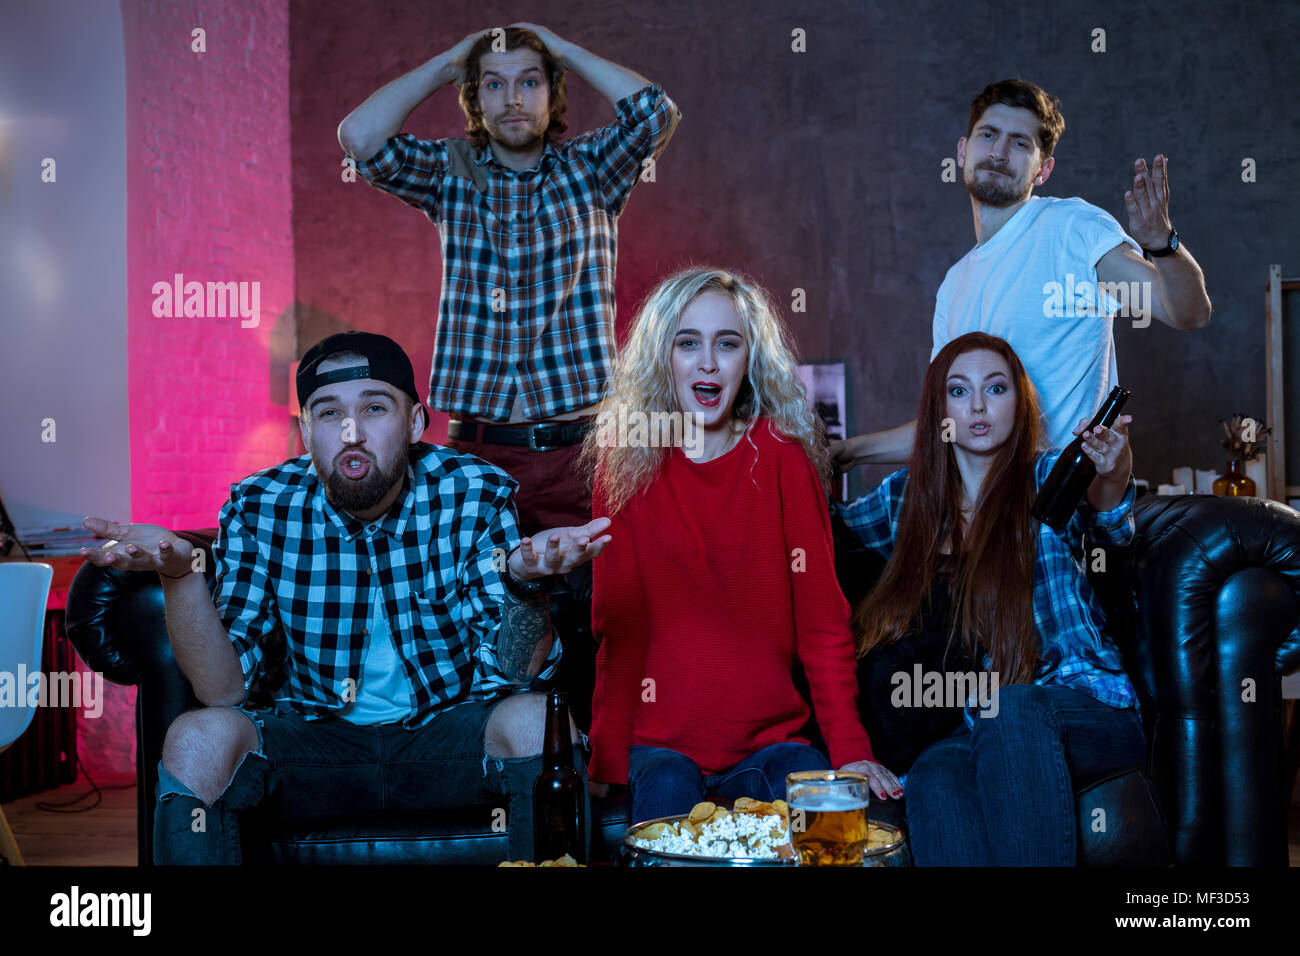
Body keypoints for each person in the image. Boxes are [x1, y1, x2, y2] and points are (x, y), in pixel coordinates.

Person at [78, 332, 611, 864]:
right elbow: (222, 691)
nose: (351, 433)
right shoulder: (261, 505)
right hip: (313, 746)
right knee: (198, 736)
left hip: (448, 738)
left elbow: (517, 674)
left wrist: (525, 583)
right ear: (305, 431)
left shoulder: (473, 491)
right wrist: (179, 574)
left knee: (535, 722)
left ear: (416, 422)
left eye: (375, 408)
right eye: (329, 414)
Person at [581, 267, 901, 824]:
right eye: (688, 343)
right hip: (658, 748)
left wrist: (851, 750)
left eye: (727, 344)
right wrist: (606, 758)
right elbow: (617, 624)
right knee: (669, 790)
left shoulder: (783, 457)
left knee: (827, 812)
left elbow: (823, 625)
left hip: (770, 747)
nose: (708, 362)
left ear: (748, 360)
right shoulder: (624, 463)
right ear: (664, 357)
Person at [338, 24, 681, 533]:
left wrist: (564, 51)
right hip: (480, 459)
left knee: (601, 606)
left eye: (530, 81)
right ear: (474, 101)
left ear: (552, 91)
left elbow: (656, 114)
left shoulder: (592, 168)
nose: (514, 98)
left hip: (586, 454)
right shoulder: (449, 173)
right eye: (494, 85)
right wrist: (451, 62)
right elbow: (360, 139)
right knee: (488, 609)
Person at [839, 330, 1144, 866]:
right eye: (959, 391)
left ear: (1019, 402)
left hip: (1086, 704)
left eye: (995, 389)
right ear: (939, 409)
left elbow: (1114, 526)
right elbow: (819, 534)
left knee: (1011, 706)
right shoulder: (908, 500)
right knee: (934, 770)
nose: (978, 405)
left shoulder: (1050, 475)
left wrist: (1115, 467)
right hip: (985, 719)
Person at [834, 77, 1211, 470]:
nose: (998, 152)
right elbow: (947, 427)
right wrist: (849, 452)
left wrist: (1163, 245)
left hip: (1059, 504)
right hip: (983, 504)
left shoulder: (1073, 229)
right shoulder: (954, 284)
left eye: (1019, 143)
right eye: (988, 135)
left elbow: (1187, 313)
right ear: (962, 151)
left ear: (1043, 170)